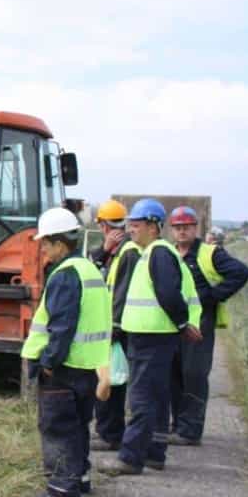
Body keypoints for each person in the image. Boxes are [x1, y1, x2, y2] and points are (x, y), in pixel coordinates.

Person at [99, 199, 202, 476]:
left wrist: (182, 323)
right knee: (156, 397)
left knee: (142, 399)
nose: (131, 230)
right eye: (130, 224)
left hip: (151, 337)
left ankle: (130, 458)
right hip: (152, 336)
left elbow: (168, 294)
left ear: (153, 227)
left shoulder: (158, 253)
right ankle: (155, 453)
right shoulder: (151, 252)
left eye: (136, 224)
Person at [22, 208, 112, 497]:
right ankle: (81, 478)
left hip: (64, 367)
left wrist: (47, 362)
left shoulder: (64, 275)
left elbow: (61, 327)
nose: (43, 248)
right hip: (87, 365)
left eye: (46, 242)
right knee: (77, 426)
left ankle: (62, 490)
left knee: (57, 427)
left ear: (61, 243)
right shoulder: (89, 269)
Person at [167, 207, 248, 445]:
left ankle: (191, 431)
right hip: (175, 322)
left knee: (194, 374)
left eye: (187, 227)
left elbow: (241, 272)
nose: (182, 232)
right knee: (175, 374)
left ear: (196, 228)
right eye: (178, 227)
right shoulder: (170, 253)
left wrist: (213, 296)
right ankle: (178, 425)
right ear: (172, 230)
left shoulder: (209, 253)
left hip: (201, 321)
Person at [89, 199, 142, 451]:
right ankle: (108, 430)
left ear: (102, 224)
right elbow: (91, 271)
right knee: (108, 379)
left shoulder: (128, 253)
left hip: (116, 328)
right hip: (110, 325)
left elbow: (122, 293)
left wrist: (115, 328)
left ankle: (110, 433)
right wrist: (104, 250)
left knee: (111, 381)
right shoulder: (115, 250)